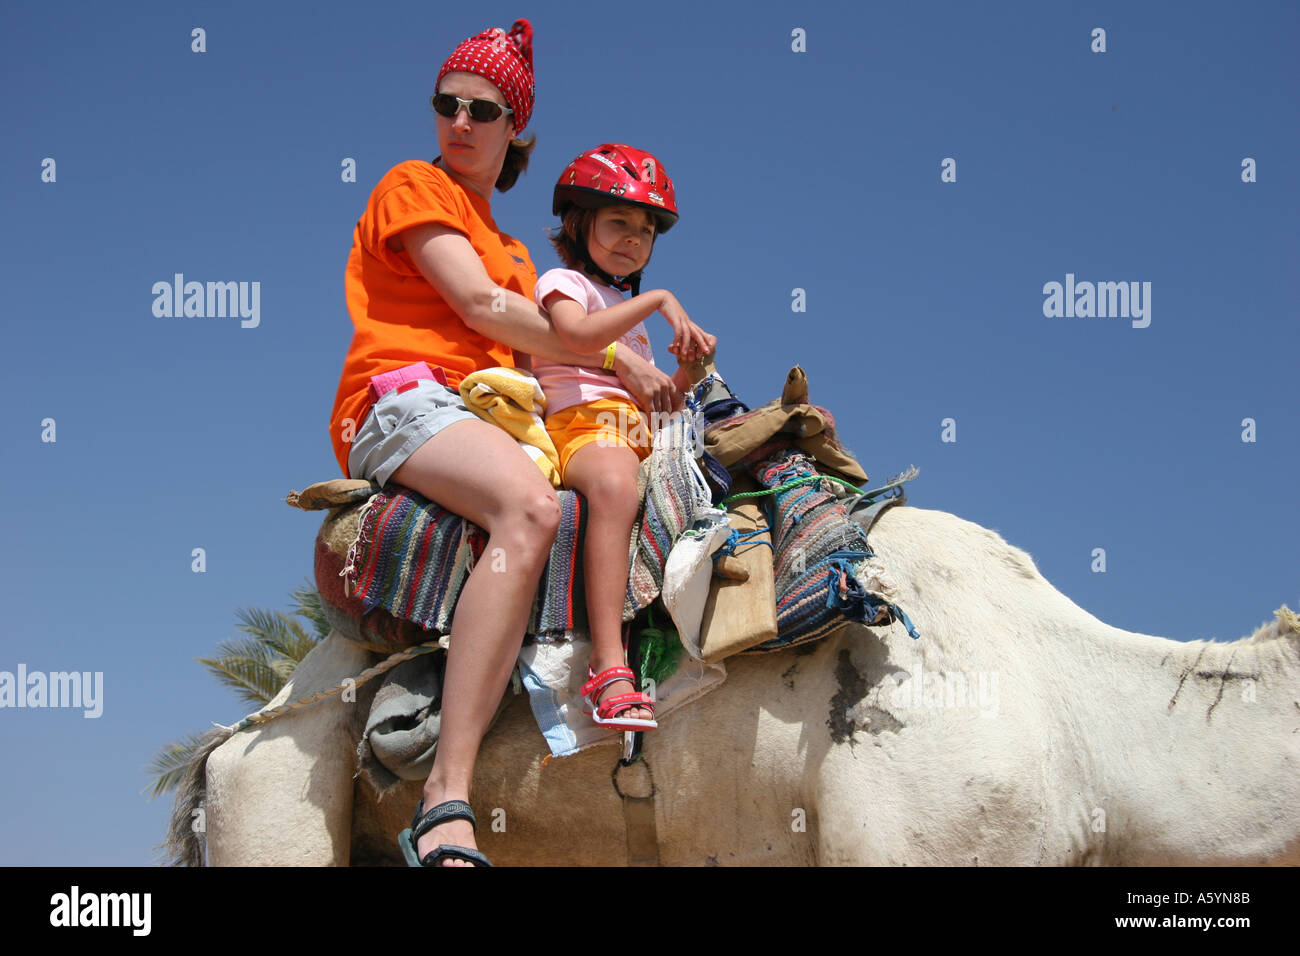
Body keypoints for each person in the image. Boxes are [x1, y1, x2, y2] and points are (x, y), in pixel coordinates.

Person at [328, 21, 684, 868]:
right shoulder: (415, 185)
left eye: (482, 109)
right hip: (405, 398)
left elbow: (545, 349)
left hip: (497, 415)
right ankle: (446, 795)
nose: (460, 120)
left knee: (610, 488)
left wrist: (645, 378)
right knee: (529, 508)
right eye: (447, 103)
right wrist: (622, 345)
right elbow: (484, 311)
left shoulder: (518, 251)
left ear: (513, 127)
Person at [531, 144, 715, 732]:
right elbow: (578, 337)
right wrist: (659, 300)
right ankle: (607, 665)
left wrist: (689, 368)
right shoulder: (563, 283)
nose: (633, 238)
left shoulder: (631, 318)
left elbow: (662, 406)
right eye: (618, 222)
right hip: (581, 425)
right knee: (613, 487)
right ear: (577, 223)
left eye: (645, 229)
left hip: (635, 430)